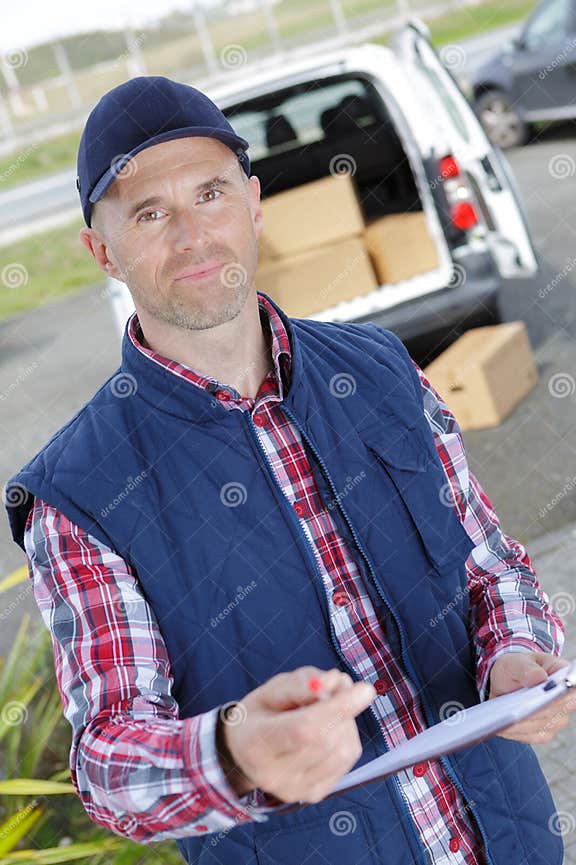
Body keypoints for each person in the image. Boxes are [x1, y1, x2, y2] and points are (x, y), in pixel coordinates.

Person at [4, 75, 575, 865]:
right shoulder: (79, 494)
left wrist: (514, 649)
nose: (193, 235)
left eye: (210, 193)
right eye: (149, 212)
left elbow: (492, 564)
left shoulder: (379, 368)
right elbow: (108, 763)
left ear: (254, 202)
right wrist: (233, 751)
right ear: (102, 251)